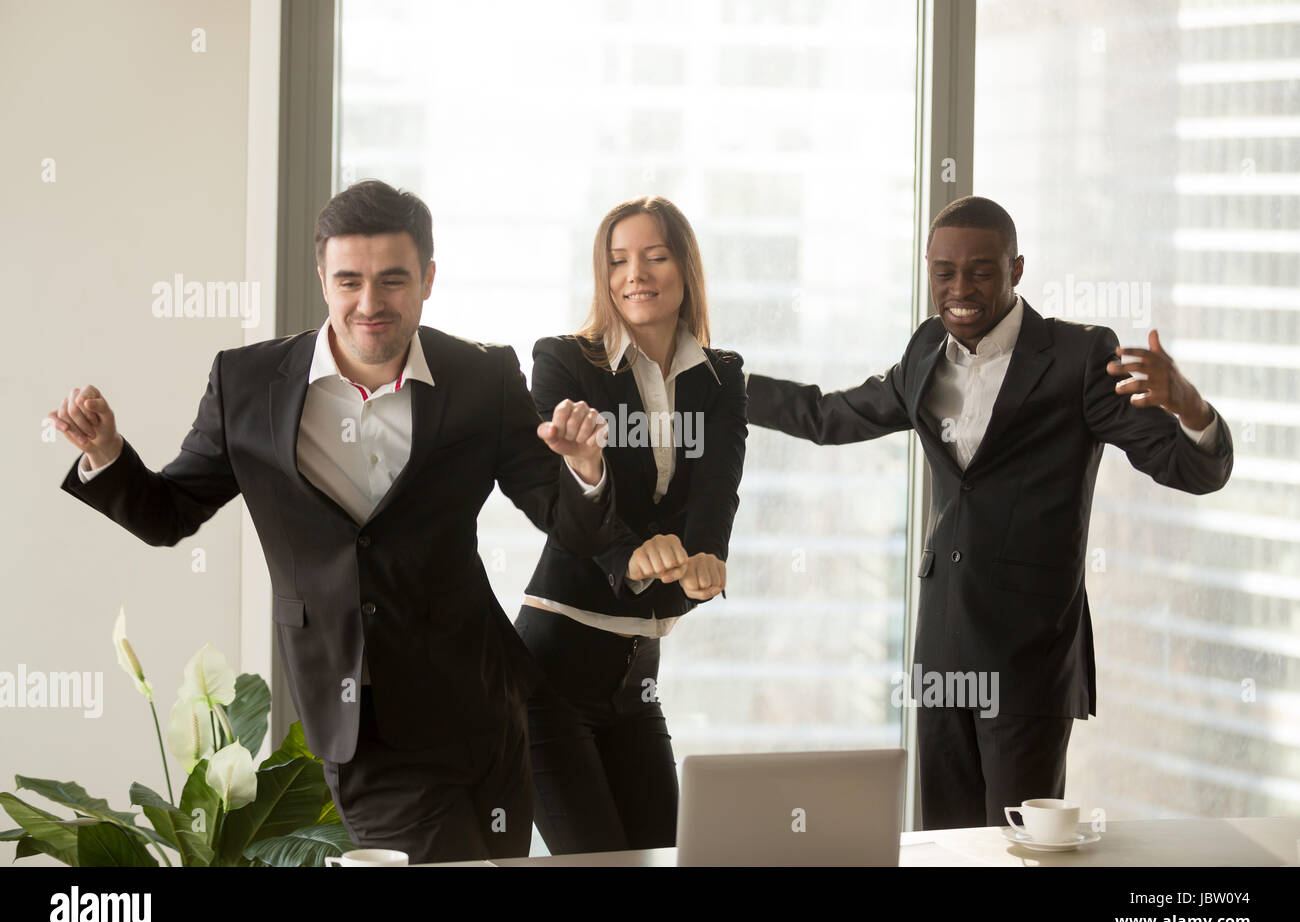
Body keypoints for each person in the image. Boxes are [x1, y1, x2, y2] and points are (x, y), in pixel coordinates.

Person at [51, 179, 624, 864]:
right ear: (322, 277)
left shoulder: (482, 377)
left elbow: (564, 522)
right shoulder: (247, 385)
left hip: (488, 710)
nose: (370, 304)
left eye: (393, 281)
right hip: (367, 723)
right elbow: (168, 515)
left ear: (428, 280)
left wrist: (585, 469)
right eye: (349, 280)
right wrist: (108, 456)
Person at [744, 196, 1233, 829]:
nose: (959, 288)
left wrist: (1190, 408)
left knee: (1016, 846)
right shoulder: (926, 351)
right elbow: (827, 417)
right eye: (943, 271)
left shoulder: (1078, 357)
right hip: (942, 650)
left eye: (980, 270)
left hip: (1028, 659)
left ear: (1017, 269)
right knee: (945, 844)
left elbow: (1194, 470)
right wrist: (724, 385)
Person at [516, 196, 747, 853]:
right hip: (551, 673)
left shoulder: (722, 376)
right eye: (618, 260)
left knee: (664, 856)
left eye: (654, 255)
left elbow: (717, 492)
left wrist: (706, 561)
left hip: (636, 681)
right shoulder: (564, 361)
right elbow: (564, 510)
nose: (634, 273)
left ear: (684, 267)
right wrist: (628, 553)